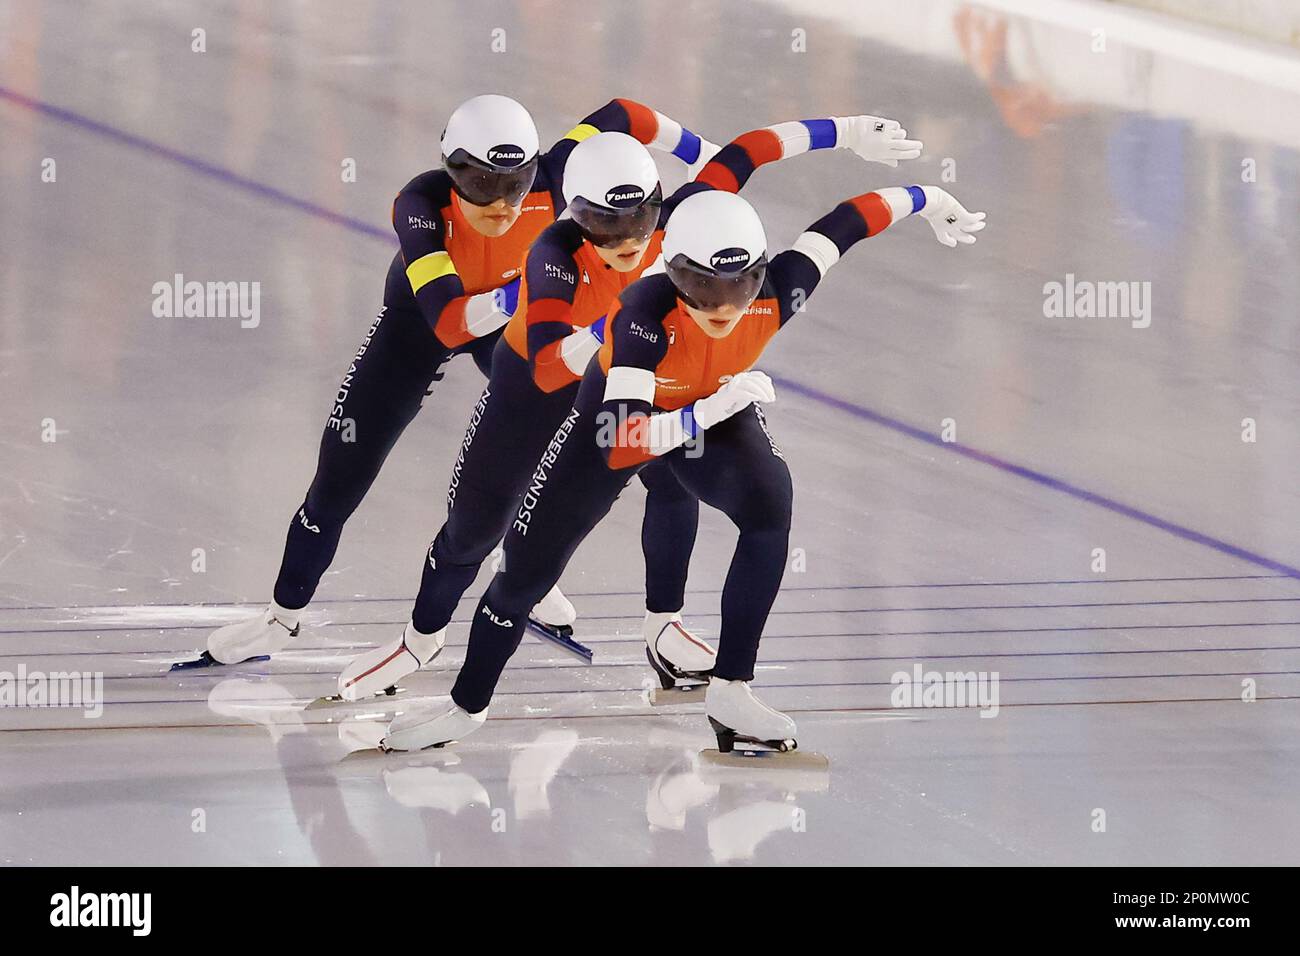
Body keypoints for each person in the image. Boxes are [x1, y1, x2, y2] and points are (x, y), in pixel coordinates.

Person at [381, 183, 986, 754]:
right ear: (673, 277)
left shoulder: (781, 289)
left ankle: (731, 691)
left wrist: (927, 198)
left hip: (709, 410)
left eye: (738, 288)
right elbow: (623, 443)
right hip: (616, 423)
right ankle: (465, 708)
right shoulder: (643, 313)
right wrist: (705, 412)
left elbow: (846, 223)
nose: (722, 306)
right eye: (702, 289)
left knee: (771, 502)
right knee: (522, 576)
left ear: (760, 274)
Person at [336, 115, 924, 702]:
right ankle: (420, 638)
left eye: (639, 219)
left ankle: (663, 626)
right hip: (538, 388)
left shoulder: (682, 219)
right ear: (574, 216)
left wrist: (847, 133)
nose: (625, 240)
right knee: (473, 532)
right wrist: (609, 330)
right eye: (601, 224)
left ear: (659, 204)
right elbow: (545, 367)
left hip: (629, 377)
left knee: (671, 480)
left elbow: (748, 151)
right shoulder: (554, 256)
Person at [182, 94, 719, 669]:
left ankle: (530, 571)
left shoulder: (561, 170)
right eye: (483, 187)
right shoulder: (420, 203)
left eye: (517, 183)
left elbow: (624, 115)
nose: (504, 203)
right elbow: (448, 320)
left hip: (506, 331)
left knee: (577, 437)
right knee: (342, 469)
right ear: (451, 171)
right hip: (425, 322)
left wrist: (703, 155)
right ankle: (280, 617)